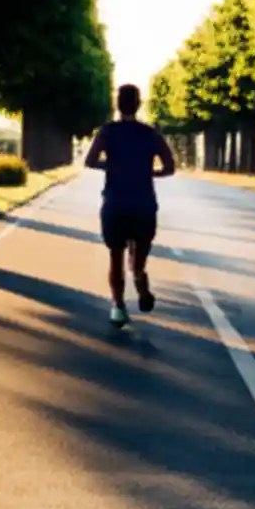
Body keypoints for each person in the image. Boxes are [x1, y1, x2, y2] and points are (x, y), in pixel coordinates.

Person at [84, 84, 176, 328]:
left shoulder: (107, 132)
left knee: (116, 256)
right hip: (144, 203)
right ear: (139, 104)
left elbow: (90, 161)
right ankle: (139, 277)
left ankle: (118, 306)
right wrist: (148, 172)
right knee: (138, 258)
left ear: (117, 104)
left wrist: (113, 167)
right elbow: (170, 167)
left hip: (115, 202)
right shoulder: (151, 134)